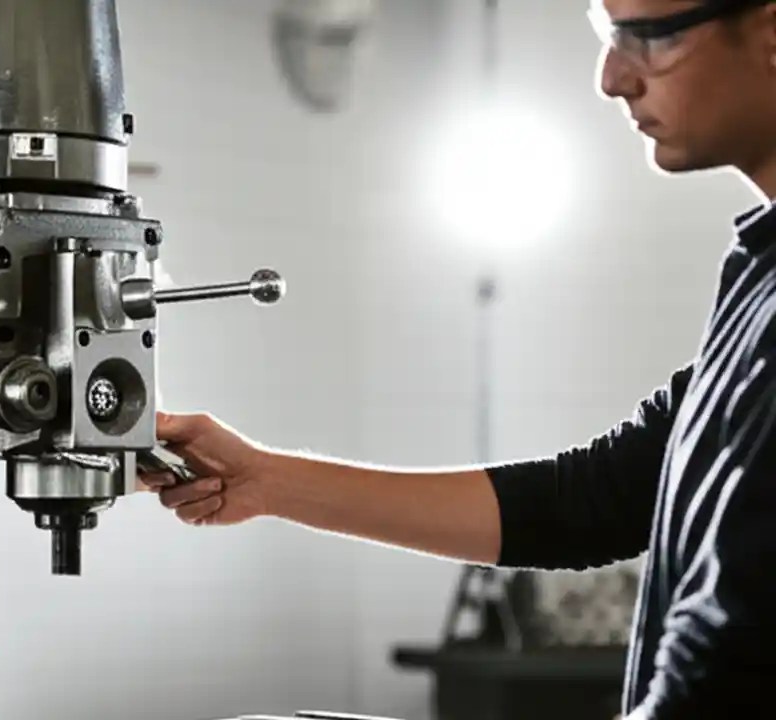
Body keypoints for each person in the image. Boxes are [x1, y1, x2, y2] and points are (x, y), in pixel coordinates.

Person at [138, 1, 776, 718]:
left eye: (650, 37)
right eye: (608, 34)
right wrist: (265, 481)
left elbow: (730, 664)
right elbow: (598, 498)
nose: (611, 76)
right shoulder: (759, 271)